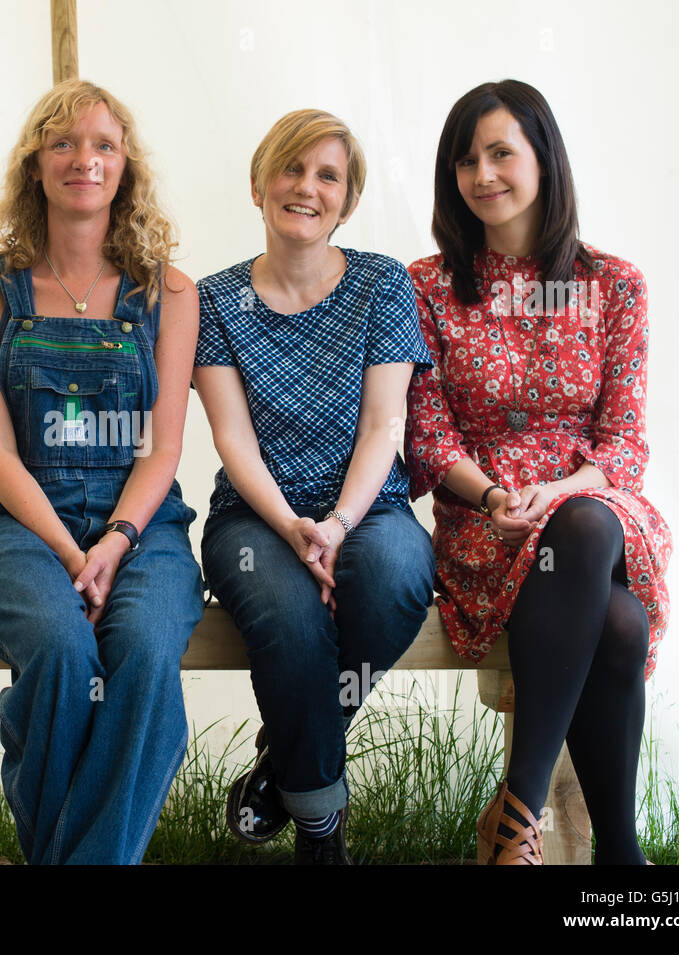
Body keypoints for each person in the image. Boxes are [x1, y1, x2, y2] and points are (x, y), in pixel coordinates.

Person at [405, 79, 673, 865]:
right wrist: (493, 496)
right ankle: (619, 860)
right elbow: (425, 429)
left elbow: (623, 441)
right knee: (617, 623)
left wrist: (560, 491)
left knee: (585, 524)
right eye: (465, 160)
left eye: (500, 153)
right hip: (485, 523)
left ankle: (512, 819)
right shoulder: (427, 286)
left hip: (595, 509)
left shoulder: (615, 284)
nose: (481, 175)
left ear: (544, 161)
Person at [0, 79, 203, 865]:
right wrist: (69, 552)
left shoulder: (168, 291)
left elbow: (163, 450)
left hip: (143, 523)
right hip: (21, 523)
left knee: (149, 654)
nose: (83, 159)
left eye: (102, 145)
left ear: (126, 167)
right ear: (35, 165)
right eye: (63, 143)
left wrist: (117, 540)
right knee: (62, 654)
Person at [194, 109, 436, 864]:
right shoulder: (211, 299)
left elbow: (382, 428)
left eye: (327, 175)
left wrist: (333, 524)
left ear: (348, 199)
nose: (307, 187)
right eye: (292, 170)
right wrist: (293, 525)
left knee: (397, 574)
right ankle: (322, 837)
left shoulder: (382, 284)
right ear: (260, 184)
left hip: (368, 507)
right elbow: (232, 439)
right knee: (293, 622)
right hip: (254, 515)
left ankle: (283, 760)